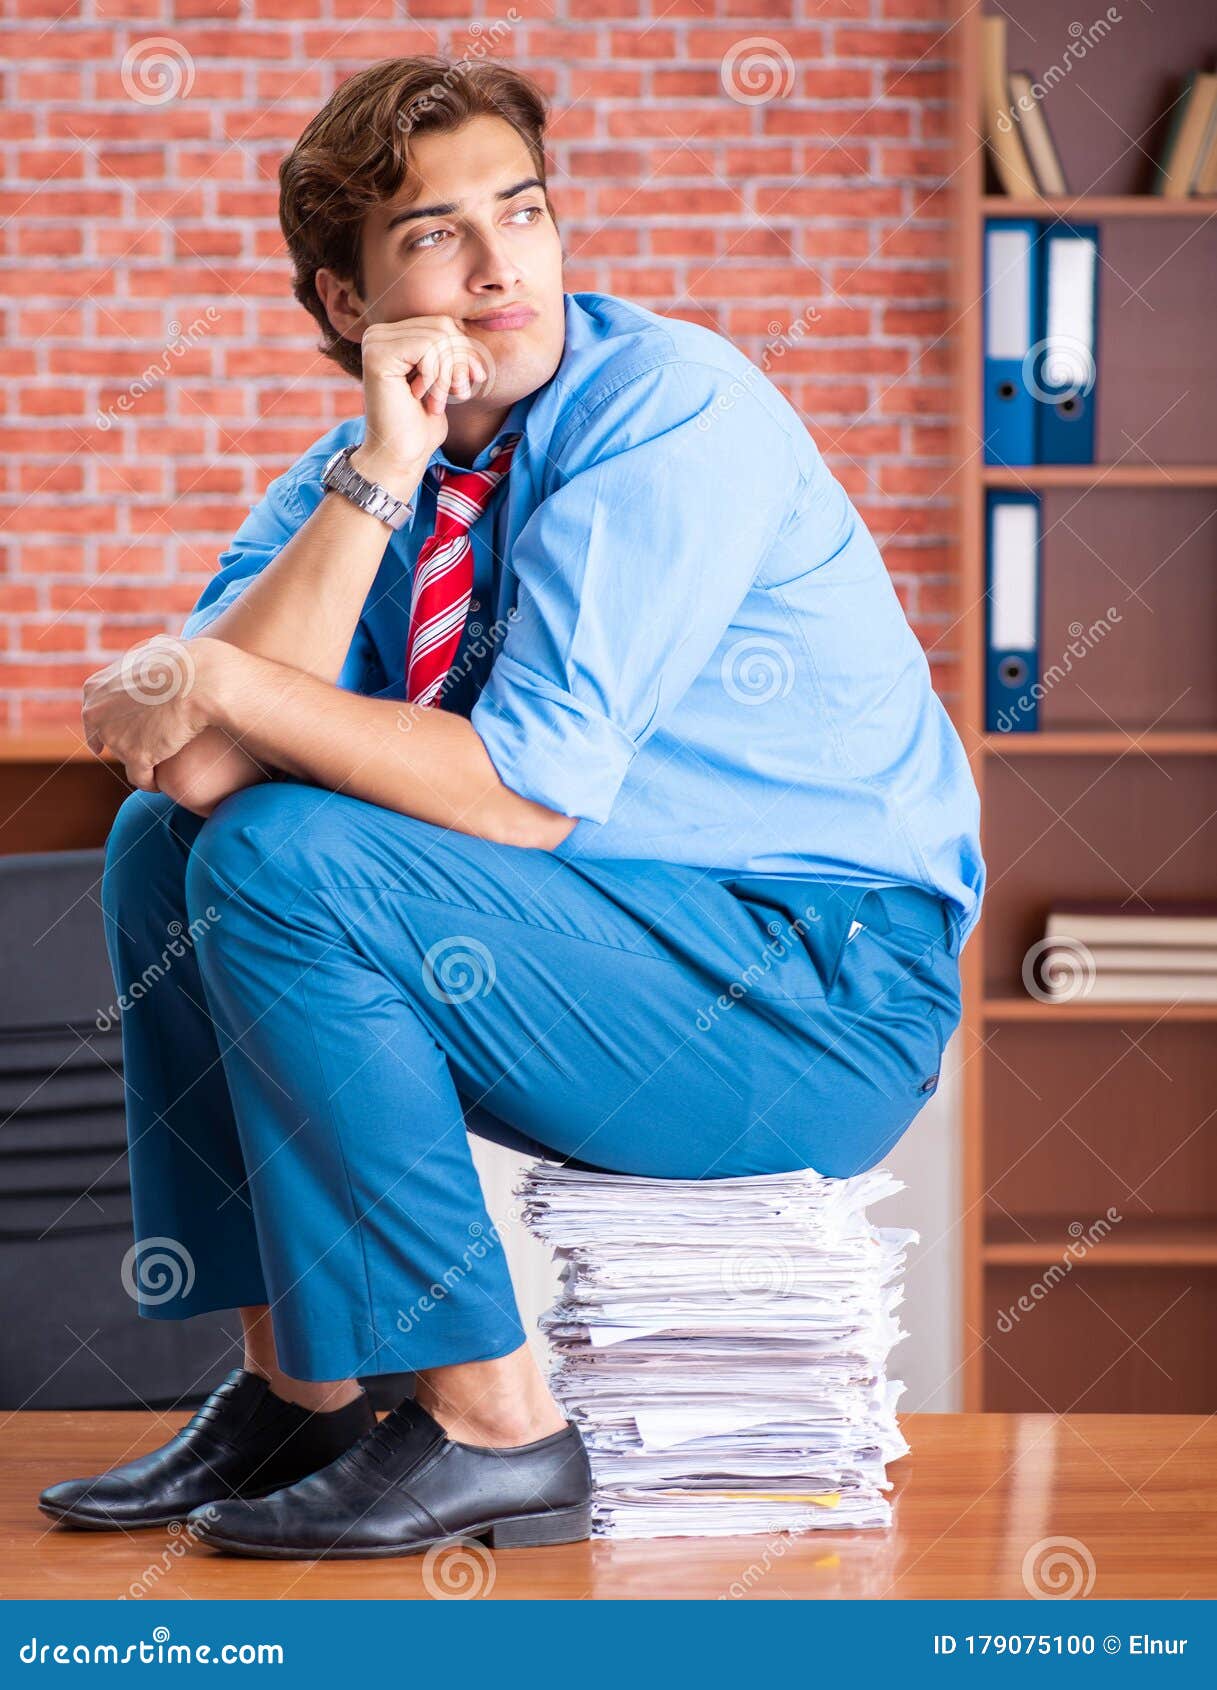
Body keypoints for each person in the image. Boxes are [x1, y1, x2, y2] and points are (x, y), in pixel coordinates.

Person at [42, 55, 984, 1559]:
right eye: (434, 234)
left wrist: (192, 671)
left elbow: (523, 792)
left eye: (524, 213)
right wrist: (375, 483)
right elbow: (194, 772)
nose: (500, 271)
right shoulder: (361, 470)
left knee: (289, 858)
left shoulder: (669, 410)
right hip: (615, 948)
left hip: (810, 992)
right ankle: (305, 1390)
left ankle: (494, 1422)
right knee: (170, 847)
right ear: (350, 305)